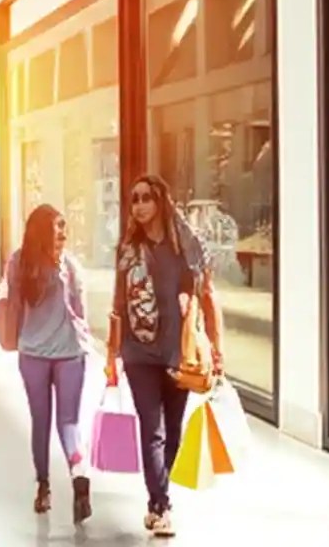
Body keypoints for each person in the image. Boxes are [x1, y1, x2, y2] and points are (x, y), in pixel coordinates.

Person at [106, 174, 224, 538]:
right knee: (152, 429)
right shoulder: (128, 250)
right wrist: (111, 354)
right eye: (134, 200)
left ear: (160, 201)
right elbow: (118, 304)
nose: (139, 206)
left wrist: (217, 349)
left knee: (173, 432)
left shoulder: (185, 248)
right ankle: (160, 505)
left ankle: (159, 495)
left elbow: (208, 296)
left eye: (145, 198)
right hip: (139, 353)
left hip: (178, 352)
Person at [2, 205, 92, 522]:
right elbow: (81, 314)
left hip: (34, 355)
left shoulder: (19, 263)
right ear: (45, 231)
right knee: (69, 423)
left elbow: (11, 302)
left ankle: (43, 488)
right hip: (71, 355)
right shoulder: (70, 267)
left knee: (41, 421)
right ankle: (79, 473)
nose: (64, 233)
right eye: (59, 227)